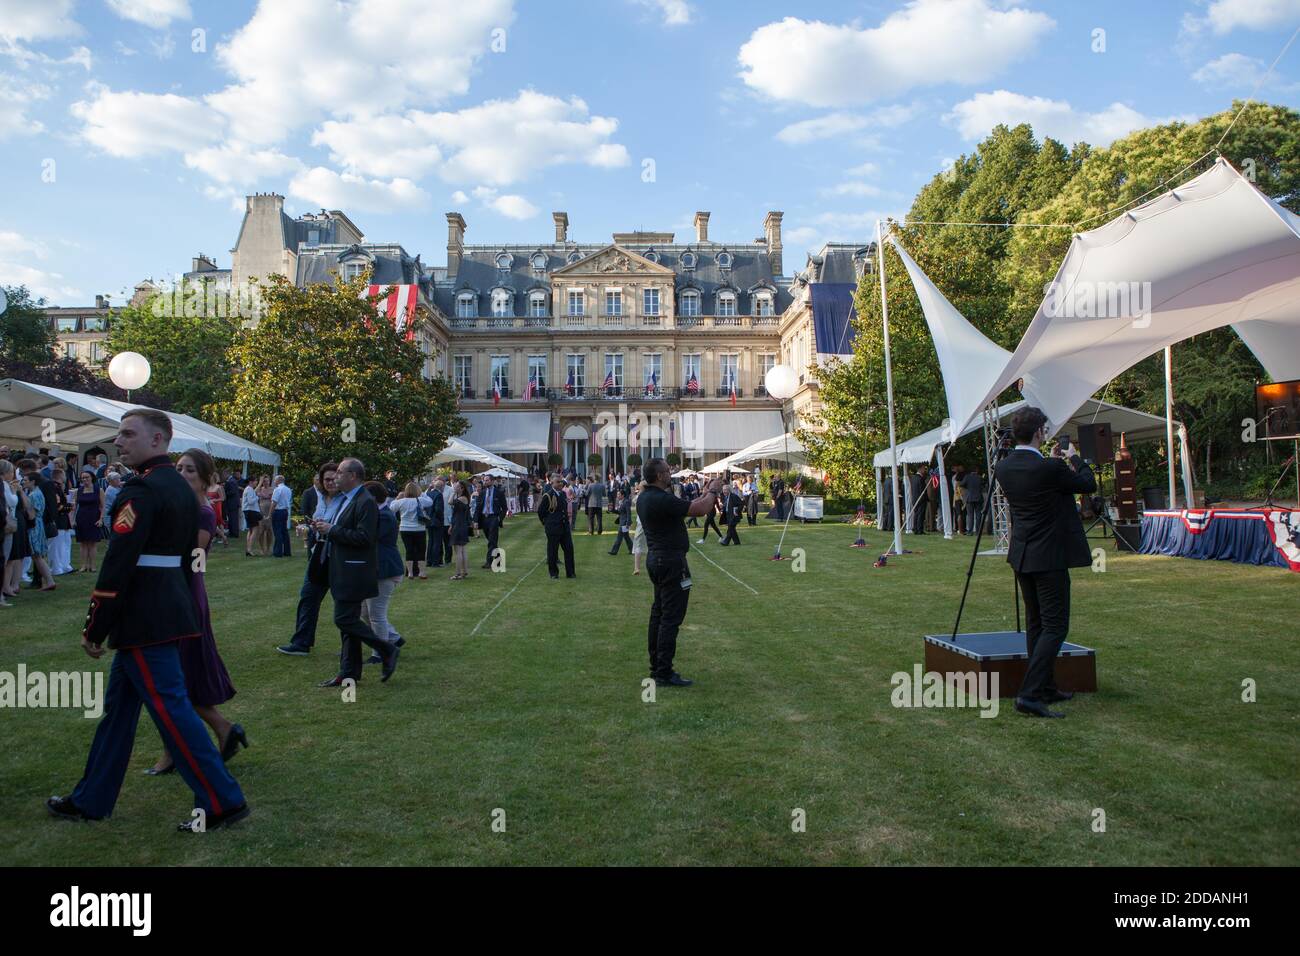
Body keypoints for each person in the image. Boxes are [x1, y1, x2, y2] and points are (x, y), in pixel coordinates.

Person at [47, 409, 249, 831]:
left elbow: (119, 562)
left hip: (144, 619)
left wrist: (95, 626)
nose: (118, 442)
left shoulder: (141, 491)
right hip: (165, 611)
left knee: (171, 710)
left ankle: (221, 800)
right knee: (118, 714)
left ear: (158, 440)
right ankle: (91, 799)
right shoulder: (175, 487)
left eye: (127, 434)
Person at [146, 449, 246, 775]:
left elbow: (191, 555)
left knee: (175, 679)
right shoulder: (180, 507)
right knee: (174, 679)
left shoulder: (202, 512)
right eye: (178, 468)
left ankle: (191, 743)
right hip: (174, 594)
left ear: (205, 479)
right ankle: (219, 731)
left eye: (190, 470)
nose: (182, 474)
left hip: (186, 597)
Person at [994, 406, 1096, 719]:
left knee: (1036, 624)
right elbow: (1087, 484)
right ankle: (1029, 693)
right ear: (1040, 432)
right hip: (1049, 555)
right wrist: (1074, 456)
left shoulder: (1004, 467)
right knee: (1055, 626)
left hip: (1022, 554)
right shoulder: (1050, 468)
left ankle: (1046, 686)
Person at [314, 458, 399, 686]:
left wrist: (332, 530)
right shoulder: (347, 500)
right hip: (342, 569)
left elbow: (365, 538)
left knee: (344, 619)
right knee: (348, 625)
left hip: (354, 571)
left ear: (353, 476)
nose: (335, 477)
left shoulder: (364, 501)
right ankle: (348, 672)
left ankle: (386, 648)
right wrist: (325, 529)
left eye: (340, 473)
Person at [637, 459, 721, 687]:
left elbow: (687, 505)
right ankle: (663, 671)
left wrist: (705, 494)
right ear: (659, 476)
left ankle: (657, 666)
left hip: (657, 559)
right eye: (666, 471)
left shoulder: (646, 497)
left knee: (659, 613)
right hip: (671, 561)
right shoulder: (660, 498)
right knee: (670, 618)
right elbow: (700, 510)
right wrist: (713, 491)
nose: (670, 473)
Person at [276, 462, 338, 657]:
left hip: (338, 555)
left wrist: (328, 528)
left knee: (347, 606)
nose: (329, 482)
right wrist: (311, 527)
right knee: (308, 597)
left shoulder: (348, 500)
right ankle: (302, 642)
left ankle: (385, 641)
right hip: (320, 552)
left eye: (333, 478)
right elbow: (319, 523)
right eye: (325, 479)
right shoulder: (322, 499)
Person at [362, 480, 406, 664]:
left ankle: (380, 653)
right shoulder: (379, 513)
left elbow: (368, 538)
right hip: (377, 568)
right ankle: (394, 638)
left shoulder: (385, 516)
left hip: (385, 569)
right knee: (364, 612)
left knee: (376, 614)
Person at [538, 474, 575, 579]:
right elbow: (541, 512)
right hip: (553, 528)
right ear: (552, 483)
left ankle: (570, 573)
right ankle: (554, 573)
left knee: (569, 549)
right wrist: (547, 522)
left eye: (561, 482)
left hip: (564, 527)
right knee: (553, 551)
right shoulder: (548, 495)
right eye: (557, 482)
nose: (560, 483)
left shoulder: (563, 494)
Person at [389, 481, 428, 579]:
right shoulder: (420, 500)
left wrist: (397, 498)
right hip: (419, 528)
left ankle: (410, 573)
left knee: (409, 550)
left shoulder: (401, 501)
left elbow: (392, 507)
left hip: (405, 528)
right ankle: (422, 572)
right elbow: (430, 501)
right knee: (421, 550)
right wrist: (422, 493)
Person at [74, 470, 104, 572]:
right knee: (83, 543)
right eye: (83, 478)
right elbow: (75, 506)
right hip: (81, 517)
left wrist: (101, 519)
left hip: (94, 517)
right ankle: (83, 565)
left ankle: (92, 565)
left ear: (92, 478)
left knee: (92, 543)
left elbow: (103, 506)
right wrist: (73, 519)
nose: (85, 479)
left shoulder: (98, 490)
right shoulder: (79, 490)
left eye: (87, 477)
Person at [474, 474, 506, 569]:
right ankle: (499, 559)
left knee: (491, 541)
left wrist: (499, 518)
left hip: (493, 518)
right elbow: (478, 508)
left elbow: (504, 508)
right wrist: (475, 520)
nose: (485, 482)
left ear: (492, 481)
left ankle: (489, 562)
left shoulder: (499, 492)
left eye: (487, 480)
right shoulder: (482, 493)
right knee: (492, 541)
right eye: (484, 480)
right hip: (484, 519)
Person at [448, 479, 471, 581]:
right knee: (462, 550)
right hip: (461, 525)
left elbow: (449, 502)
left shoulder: (462, 498)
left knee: (458, 551)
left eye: (456, 486)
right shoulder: (465, 498)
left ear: (461, 488)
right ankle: (464, 571)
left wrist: (453, 492)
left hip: (459, 525)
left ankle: (458, 574)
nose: (454, 487)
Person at [423, 477, 447, 569]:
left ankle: (429, 561)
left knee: (431, 541)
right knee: (437, 542)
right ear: (441, 487)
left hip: (429, 520)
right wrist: (441, 518)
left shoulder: (428, 493)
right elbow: (438, 509)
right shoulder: (439, 495)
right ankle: (435, 562)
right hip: (437, 521)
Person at [269, 475, 292, 556]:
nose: (274, 482)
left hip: (278, 511)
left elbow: (274, 502)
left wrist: (270, 514)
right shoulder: (288, 489)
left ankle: (278, 551)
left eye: (275, 480)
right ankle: (287, 551)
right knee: (284, 531)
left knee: (277, 531)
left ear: (278, 480)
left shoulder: (277, 489)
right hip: (285, 511)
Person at [608, 490, 633, 555]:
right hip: (622, 521)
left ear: (622, 495)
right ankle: (632, 549)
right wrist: (612, 510)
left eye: (619, 494)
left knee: (619, 537)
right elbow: (620, 512)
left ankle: (614, 551)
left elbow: (629, 513)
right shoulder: (621, 502)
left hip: (624, 523)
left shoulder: (626, 502)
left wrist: (628, 523)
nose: (617, 496)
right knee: (626, 537)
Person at [630, 482, 647, 575]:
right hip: (648, 522)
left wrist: (637, 491)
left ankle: (636, 568)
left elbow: (634, 500)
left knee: (638, 544)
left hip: (642, 523)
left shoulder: (640, 497)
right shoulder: (649, 496)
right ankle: (636, 568)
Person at [961, 466, 984, 536]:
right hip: (978, 498)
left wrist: (967, 487)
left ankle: (970, 531)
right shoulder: (980, 477)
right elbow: (983, 485)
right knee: (978, 515)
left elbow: (962, 484)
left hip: (970, 498)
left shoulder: (967, 477)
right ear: (976, 470)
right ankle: (978, 531)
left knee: (970, 516)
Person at [241, 478, 260, 556]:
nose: (256, 482)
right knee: (255, 530)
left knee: (251, 530)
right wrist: (257, 497)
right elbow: (250, 501)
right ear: (251, 481)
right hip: (251, 511)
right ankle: (249, 549)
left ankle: (248, 548)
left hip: (249, 511)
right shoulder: (249, 489)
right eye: (256, 481)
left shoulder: (250, 489)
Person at [721, 479, 743, 546]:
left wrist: (736, 510)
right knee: (732, 529)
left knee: (730, 528)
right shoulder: (726, 497)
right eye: (723, 490)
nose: (724, 491)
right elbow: (727, 505)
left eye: (725, 490)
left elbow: (741, 504)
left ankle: (726, 542)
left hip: (734, 515)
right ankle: (737, 542)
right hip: (728, 515)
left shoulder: (733, 496)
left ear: (729, 490)